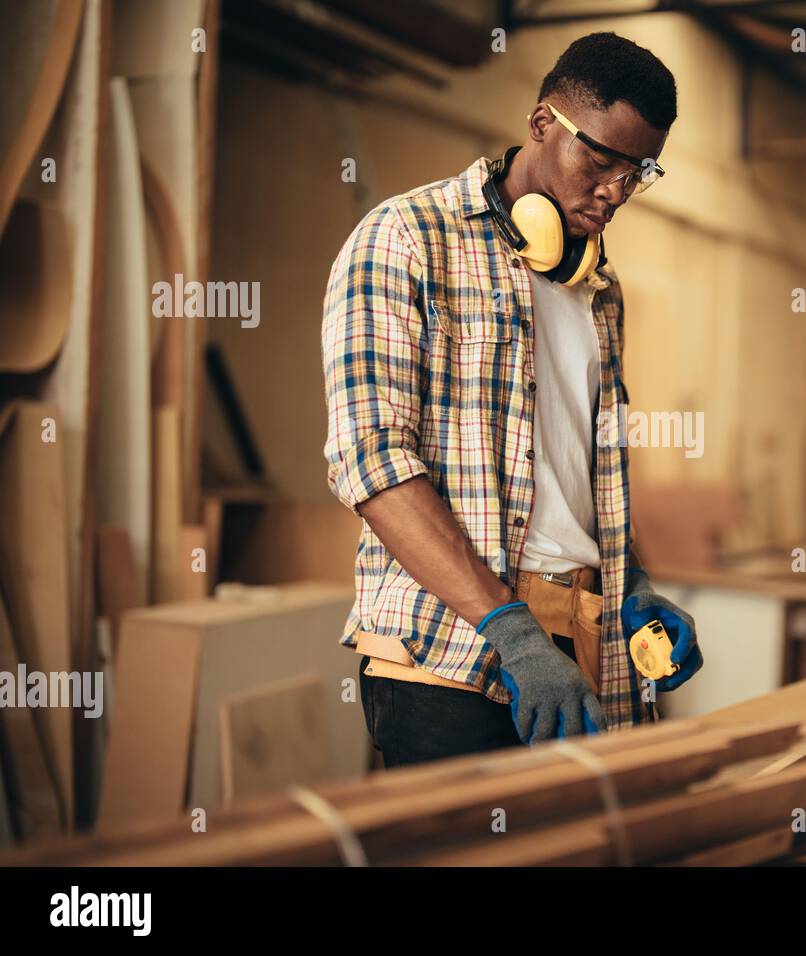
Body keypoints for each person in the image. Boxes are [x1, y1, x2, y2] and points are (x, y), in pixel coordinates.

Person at [321, 31, 702, 768]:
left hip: (581, 642)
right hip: (448, 653)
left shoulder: (598, 288)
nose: (615, 192)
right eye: (600, 161)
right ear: (540, 126)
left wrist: (633, 587)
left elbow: (581, 478)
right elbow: (371, 464)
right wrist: (513, 631)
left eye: (637, 173)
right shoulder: (405, 240)